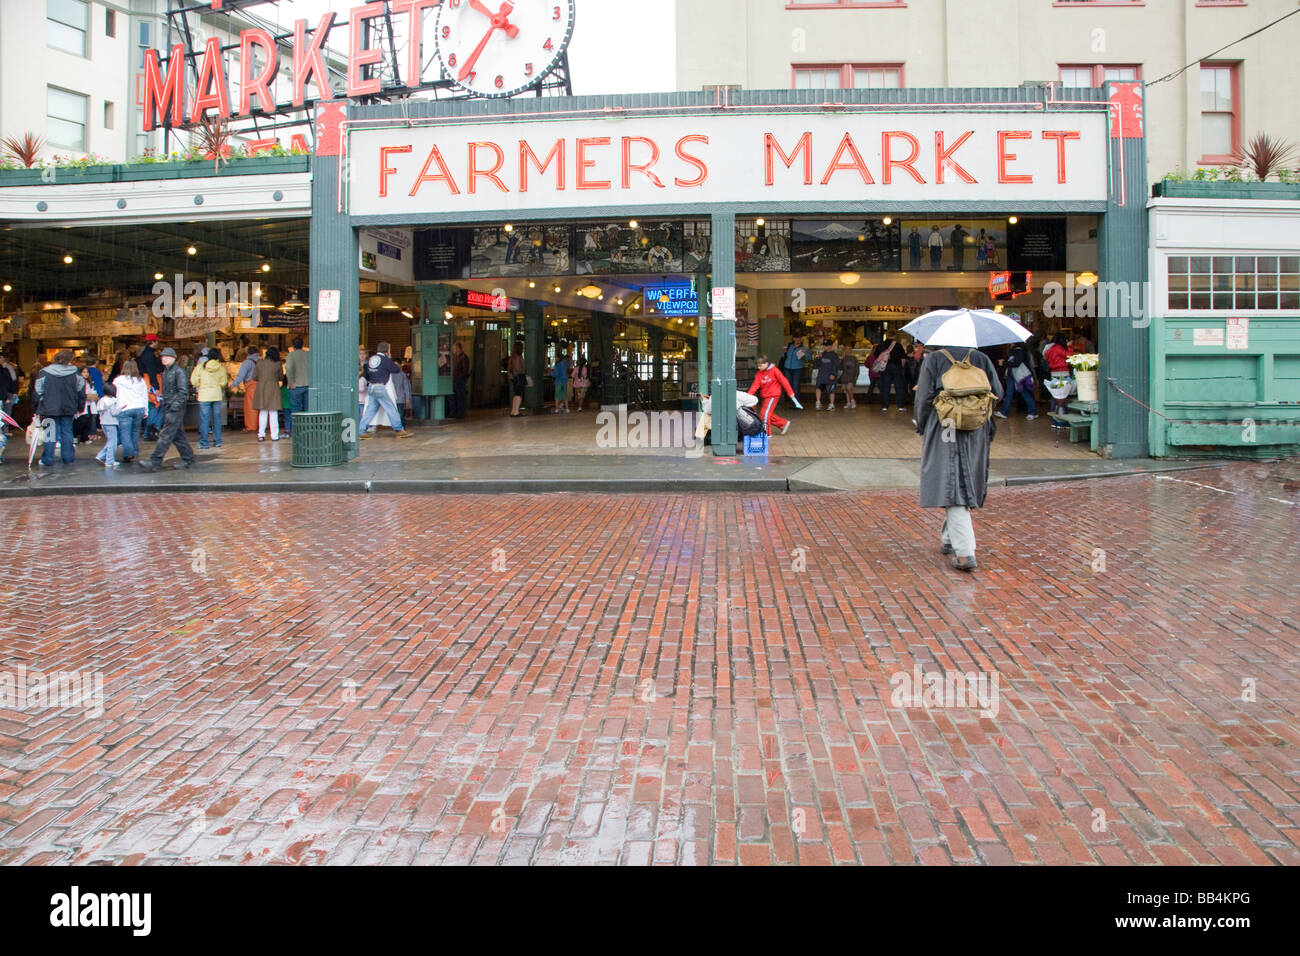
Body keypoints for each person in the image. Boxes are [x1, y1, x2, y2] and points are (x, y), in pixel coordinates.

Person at [914, 345, 1003, 572]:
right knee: (962, 478)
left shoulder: (934, 359)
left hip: (945, 425)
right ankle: (948, 538)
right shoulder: (981, 358)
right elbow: (998, 392)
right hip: (976, 429)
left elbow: (923, 396)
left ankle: (965, 552)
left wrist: (922, 424)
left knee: (950, 482)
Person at [137, 347, 195, 471]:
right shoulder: (166, 372)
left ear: (174, 358)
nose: (164, 358)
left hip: (174, 408)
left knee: (166, 435)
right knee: (178, 436)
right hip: (169, 406)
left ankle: (155, 461)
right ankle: (188, 459)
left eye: (167, 356)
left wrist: (174, 406)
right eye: (163, 356)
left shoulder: (178, 372)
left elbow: (182, 392)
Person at [34, 350, 90, 467]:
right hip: (68, 408)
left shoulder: (44, 373)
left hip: (49, 408)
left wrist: (35, 408)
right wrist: (80, 407)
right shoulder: (76, 374)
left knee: (50, 433)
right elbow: (81, 392)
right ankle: (68, 458)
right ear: (70, 360)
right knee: (67, 432)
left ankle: (47, 459)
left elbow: (38, 391)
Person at [358, 342, 412, 439]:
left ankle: (361, 431)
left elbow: (366, 370)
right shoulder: (385, 359)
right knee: (391, 408)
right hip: (380, 387)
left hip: (371, 387)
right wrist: (389, 359)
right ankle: (399, 429)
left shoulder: (371, 359)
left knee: (370, 410)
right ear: (387, 350)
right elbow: (396, 369)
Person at [747, 354, 801, 435]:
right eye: (758, 366)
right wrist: (747, 396)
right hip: (765, 396)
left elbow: (784, 381)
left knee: (764, 414)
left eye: (760, 365)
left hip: (773, 395)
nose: (759, 367)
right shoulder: (759, 373)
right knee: (766, 413)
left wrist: (790, 393)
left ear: (766, 363)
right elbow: (755, 386)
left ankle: (766, 433)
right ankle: (783, 424)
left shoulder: (775, 370)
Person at [191, 347, 229, 449]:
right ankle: (217, 441)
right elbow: (224, 382)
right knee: (217, 419)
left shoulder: (200, 367)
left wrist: (200, 385)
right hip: (216, 396)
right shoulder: (221, 368)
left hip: (204, 396)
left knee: (204, 420)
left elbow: (193, 380)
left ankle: (204, 443)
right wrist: (217, 386)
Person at [112, 359, 148, 463]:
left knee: (125, 432)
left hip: (125, 408)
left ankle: (128, 453)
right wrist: (146, 410)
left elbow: (115, 395)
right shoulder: (141, 381)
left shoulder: (118, 381)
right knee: (135, 431)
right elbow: (144, 396)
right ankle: (135, 451)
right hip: (139, 407)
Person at [995, 341, 1039, 421]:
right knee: (1010, 394)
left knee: (1023, 393)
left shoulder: (1019, 350)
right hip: (1013, 375)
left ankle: (1033, 412)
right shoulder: (1016, 350)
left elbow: (1016, 363)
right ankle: (1004, 412)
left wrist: (1004, 363)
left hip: (1019, 376)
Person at [252, 346, 285, 442]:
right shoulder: (277, 364)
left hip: (261, 389)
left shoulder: (260, 363)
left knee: (263, 412)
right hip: (273, 388)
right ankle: (274, 435)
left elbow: (255, 377)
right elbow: (280, 377)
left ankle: (261, 435)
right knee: (273, 413)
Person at [136, 334, 163, 439]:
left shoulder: (144, 354)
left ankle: (151, 431)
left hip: (147, 381)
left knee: (153, 406)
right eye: (157, 341)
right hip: (151, 382)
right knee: (154, 406)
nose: (158, 343)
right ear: (152, 342)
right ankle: (150, 432)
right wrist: (155, 387)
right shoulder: (150, 355)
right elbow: (152, 371)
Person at [231, 346, 260, 432]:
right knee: (261, 407)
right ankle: (261, 426)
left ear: (248, 353)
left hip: (251, 386)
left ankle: (251, 426)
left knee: (251, 408)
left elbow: (241, 376)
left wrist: (233, 385)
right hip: (262, 385)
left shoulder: (246, 363)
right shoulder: (261, 361)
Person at [92, 383, 122, 468]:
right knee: (113, 442)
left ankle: (101, 456)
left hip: (103, 423)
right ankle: (109, 461)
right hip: (111, 423)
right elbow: (114, 413)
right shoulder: (112, 401)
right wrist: (121, 409)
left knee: (110, 441)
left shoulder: (102, 400)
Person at [285, 336, 310, 433]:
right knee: (308, 409)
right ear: (302, 345)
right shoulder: (308, 354)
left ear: (293, 346)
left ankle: (297, 430)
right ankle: (307, 429)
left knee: (296, 410)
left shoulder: (291, 355)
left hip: (296, 386)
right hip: (308, 385)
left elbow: (289, 368)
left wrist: (290, 382)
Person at [878, 337, 908, 412]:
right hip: (897, 366)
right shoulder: (898, 345)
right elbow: (903, 358)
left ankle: (885, 406)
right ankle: (900, 406)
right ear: (895, 336)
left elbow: (876, 356)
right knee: (899, 387)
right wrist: (902, 367)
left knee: (885, 387)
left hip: (885, 367)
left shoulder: (882, 344)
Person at [73, 365, 97, 444]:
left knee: (88, 421)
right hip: (83, 404)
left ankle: (84, 437)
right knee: (81, 421)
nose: (86, 374)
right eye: (84, 372)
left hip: (89, 404)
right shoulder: (79, 382)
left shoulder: (89, 382)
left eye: (87, 372)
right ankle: (76, 436)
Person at [814, 340, 840, 410]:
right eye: (824, 345)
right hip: (822, 375)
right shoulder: (822, 354)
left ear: (830, 346)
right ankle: (818, 402)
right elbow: (817, 364)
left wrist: (833, 374)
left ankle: (831, 404)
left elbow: (836, 365)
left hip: (830, 375)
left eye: (826, 345)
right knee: (818, 388)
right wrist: (818, 357)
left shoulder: (834, 355)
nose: (824, 347)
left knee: (831, 390)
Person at [782, 336, 807, 405]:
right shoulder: (790, 346)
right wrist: (784, 352)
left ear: (801, 339)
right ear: (793, 339)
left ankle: (796, 402)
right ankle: (791, 401)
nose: (797, 340)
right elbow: (784, 356)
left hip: (797, 369)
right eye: (796, 338)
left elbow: (803, 359)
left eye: (799, 338)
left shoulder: (802, 348)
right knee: (789, 385)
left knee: (796, 385)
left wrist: (802, 355)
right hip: (788, 368)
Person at [450, 342, 470, 418]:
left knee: (460, 397)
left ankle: (461, 413)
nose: (453, 350)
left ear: (458, 348)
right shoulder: (455, 357)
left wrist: (459, 377)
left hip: (460, 380)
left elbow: (465, 370)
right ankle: (454, 412)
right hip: (454, 380)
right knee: (453, 397)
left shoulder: (464, 358)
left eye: (454, 348)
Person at [508, 340, 526, 417]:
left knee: (516, 394)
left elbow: (509, 368)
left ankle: (513, 411)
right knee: (519, 395)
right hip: (519, 376)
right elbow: (519, 368)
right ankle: (516, 411)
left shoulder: (512, 356)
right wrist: (523, 372)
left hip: (514, 377)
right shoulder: (519, 356)